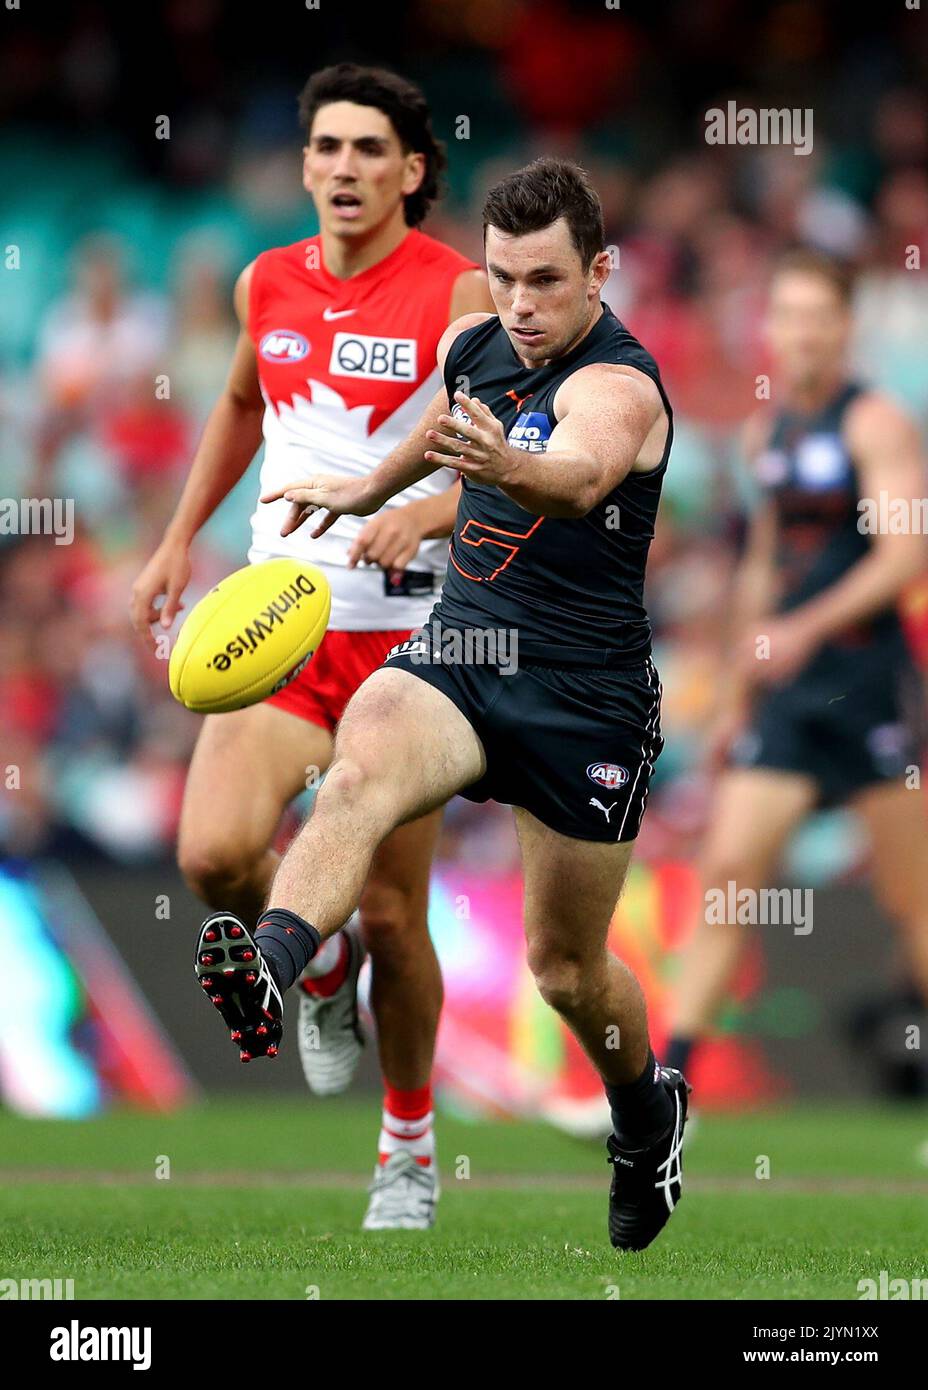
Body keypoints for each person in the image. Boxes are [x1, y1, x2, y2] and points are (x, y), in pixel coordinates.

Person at [193, 156, 690, 1252]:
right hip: (461, 650)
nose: (518, 304)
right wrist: (369, 490)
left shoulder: (621, 386)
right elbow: (442, 428)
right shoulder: (479, 345)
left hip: (583, 697)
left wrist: (504, 461)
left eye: (546, 281)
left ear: (599, 272)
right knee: (361, 762)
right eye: (503, 277)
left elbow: (575, 478)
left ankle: (645, 1107)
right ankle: (273, 964)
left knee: (563, 968)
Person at [131, 63, 493, 1230]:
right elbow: (240, 404)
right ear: (304, 166)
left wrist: (425, 511)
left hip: (409, 640)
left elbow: (508, 445)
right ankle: (318, 969)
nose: (344, 168)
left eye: (368, 151)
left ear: (411, 171)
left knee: (394, 913)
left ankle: (407, 1147)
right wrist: (179, 537)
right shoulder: (265, 282)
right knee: (214, 857)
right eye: (327, 149)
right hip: (281, 622)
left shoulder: (457, 294)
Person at [665, 249, 928, 1084]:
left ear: (845, 325)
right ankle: (669, 1086)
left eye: (818, 314)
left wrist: (808, 627)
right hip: (787, 698)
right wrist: (736, 695)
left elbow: (904, 556)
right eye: (788, 314)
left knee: (913, 902)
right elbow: (762, 568)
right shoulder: (766, 433)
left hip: (868, 688)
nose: (801, 332)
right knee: (730, 876)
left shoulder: (875, 422)